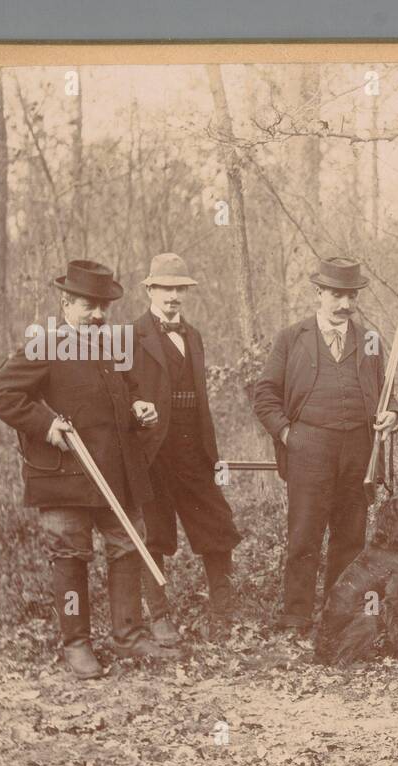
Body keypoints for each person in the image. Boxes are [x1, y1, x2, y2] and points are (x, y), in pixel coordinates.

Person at [0, 259, 177, 679]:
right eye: (89, 306)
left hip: (115, 474)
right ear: (66, 302)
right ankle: (76, 644)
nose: (98, 315)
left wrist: (138, 408)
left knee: (126, 549)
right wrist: (45, 424)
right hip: (64, 475)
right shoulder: (43, 346)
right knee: (70, 556)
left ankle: (127, 636)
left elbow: (124, 394)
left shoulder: (111, 347)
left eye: (103, 306)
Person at [252, 257, 398, 635]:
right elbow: (265, 394)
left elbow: (387, 395)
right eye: (336, 295)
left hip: (358, 450)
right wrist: (287, 435)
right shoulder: (291, 338)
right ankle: (296, 618)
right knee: (304, 535)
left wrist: (392, 416)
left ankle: (339, 616)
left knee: (350, 537)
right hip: (309, 448)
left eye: (350, 296)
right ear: (319, 293)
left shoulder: (369, 339)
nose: (345, 304)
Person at [130, 253, 242, 644]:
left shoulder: (193, 335)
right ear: (150, 289)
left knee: (217, 528)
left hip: (193, 449)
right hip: (152, 452)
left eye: (179, 288)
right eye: (165, 287)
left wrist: (207, 450)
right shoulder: (130, 336)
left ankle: (222, 618)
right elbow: (119, 392)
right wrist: (134, 410)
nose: (173, 296)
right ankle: (159, 617)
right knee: (153, 535)